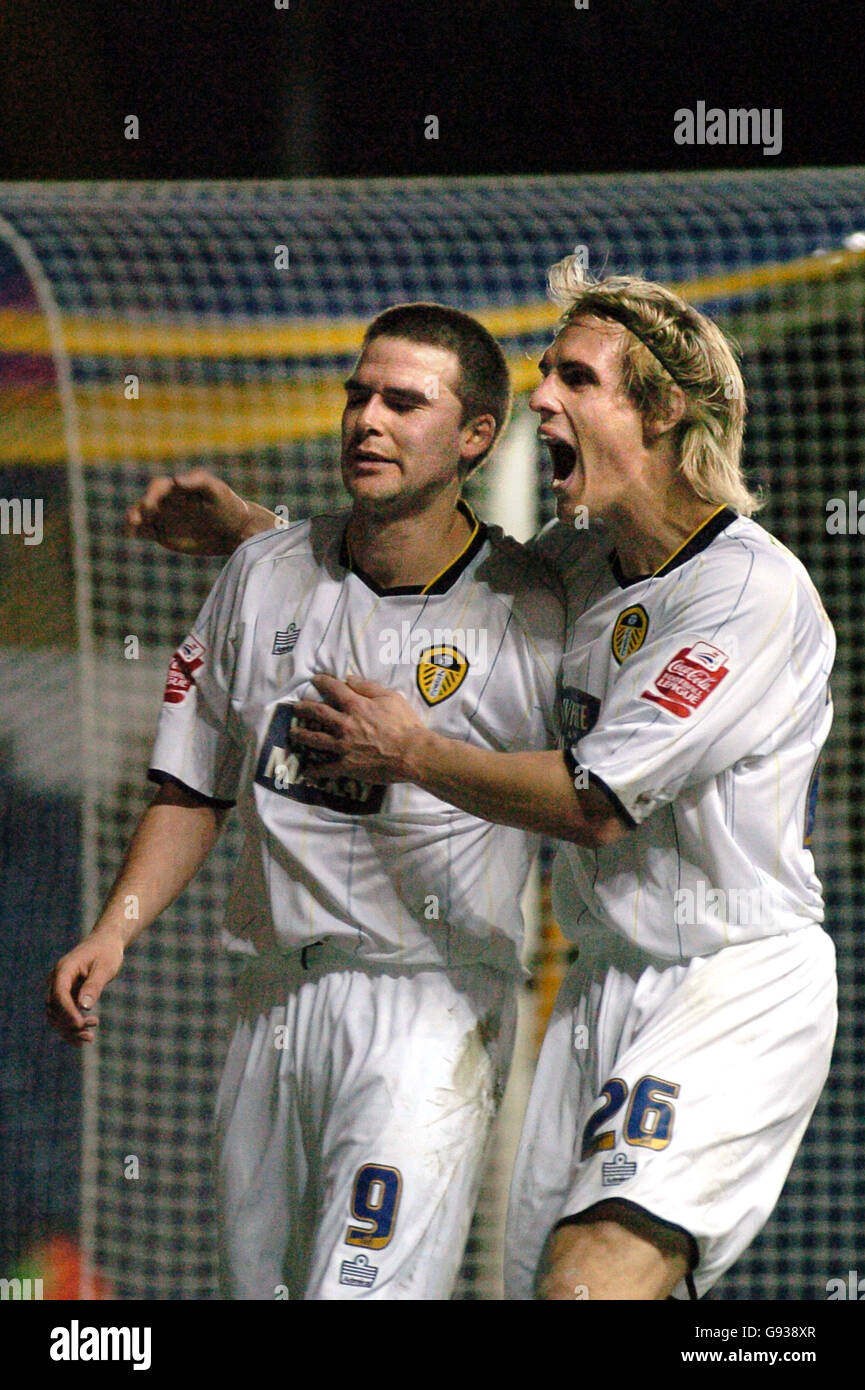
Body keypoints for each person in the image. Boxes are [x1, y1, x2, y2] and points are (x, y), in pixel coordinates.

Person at [168, 259, 837, 1301]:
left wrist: (413, 753)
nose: (540, 398)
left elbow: (591, 805)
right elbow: (421, 577)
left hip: (728, 978)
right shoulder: (577, 567)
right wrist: (256, 533)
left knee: (587, 1287)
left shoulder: (746, 595)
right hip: (601, 982)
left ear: (658, 413)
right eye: (542, 373)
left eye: (575, 378)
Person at [46, 303, 566, 1300]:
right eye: (358, 395)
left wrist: (419, 756)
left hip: (429, 1006)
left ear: (473, 438)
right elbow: (193, 784)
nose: (367, 419)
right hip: (268, 1006)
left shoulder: (530, 608)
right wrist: (116, 930)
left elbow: (586, 796)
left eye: (403, 401)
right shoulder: (261, 573)